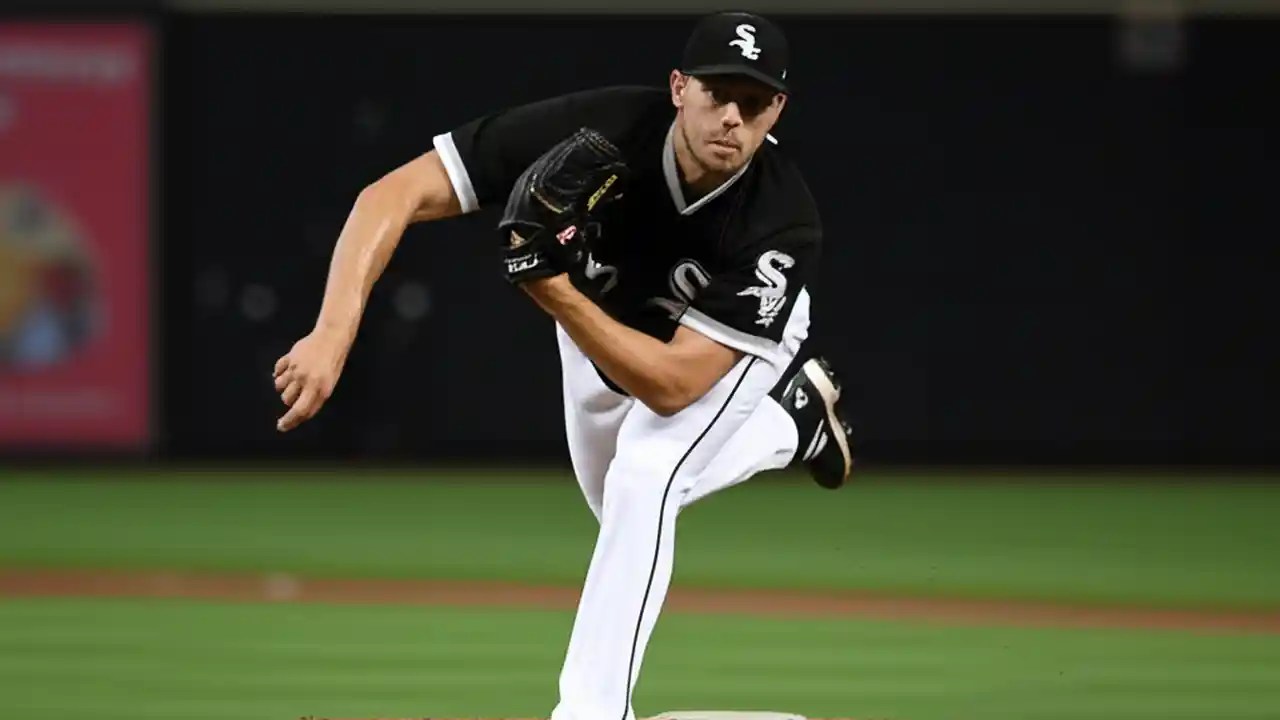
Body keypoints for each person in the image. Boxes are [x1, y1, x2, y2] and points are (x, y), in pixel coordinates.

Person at [272, 11, 856, 720]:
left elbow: (673, 387)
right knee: (619, 511)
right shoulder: (598, 131)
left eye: (754, 101)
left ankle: (589, 712)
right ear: (679, 88)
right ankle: (792, 424)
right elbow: (390, 195)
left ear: (778, 111)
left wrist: (552, 291)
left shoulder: (781, 219)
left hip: (724, 345)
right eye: (717, 93)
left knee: (647, 476)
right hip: (603, 327)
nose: (732, 116)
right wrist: (332, 333)